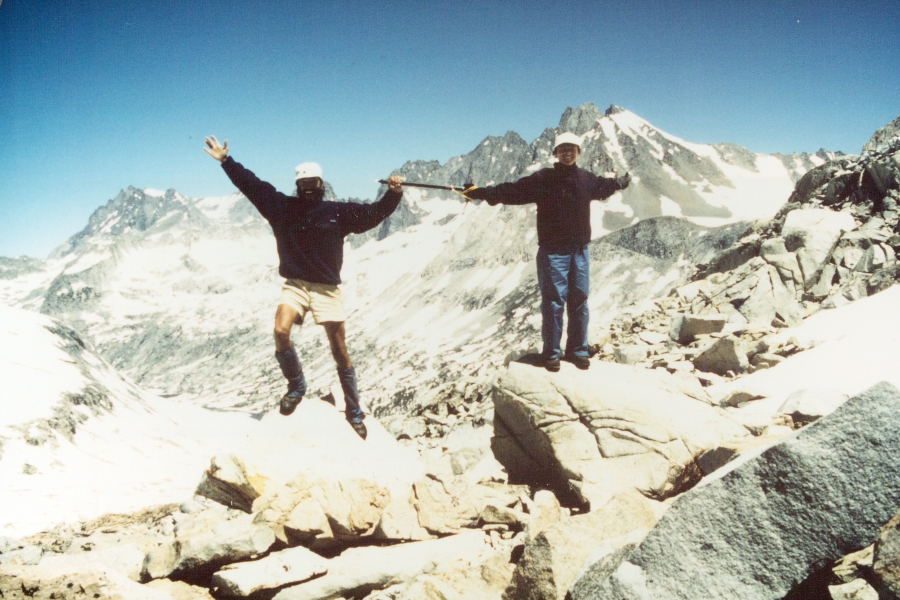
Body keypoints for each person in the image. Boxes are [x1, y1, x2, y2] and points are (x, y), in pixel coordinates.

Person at [204, 135, 404, 439]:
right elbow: (251, 184)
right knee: (280, 331)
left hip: (326, 289)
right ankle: (297, 384)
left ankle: (353, 410)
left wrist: (393, 193)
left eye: (313, 183)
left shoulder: (337, 212)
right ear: (299, 186)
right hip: (295, 284)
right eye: (305, 184)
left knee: (340, 350)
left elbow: (374, 214)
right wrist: (226, 161)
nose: (309, 188)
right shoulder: (281, 207)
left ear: (321, 184)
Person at [464, 132, 630, 372]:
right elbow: (512, 191)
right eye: (563, 149)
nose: (567, 153)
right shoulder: (544, 178)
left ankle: (578, 351)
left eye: (572, 149)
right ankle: (552, 353)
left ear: (578, 152)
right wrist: (480, 193)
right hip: (553, 252)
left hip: (580, 250)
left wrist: (618, 183)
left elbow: (604, 186)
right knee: (554, 302)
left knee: (580, 300)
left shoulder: (586, 179)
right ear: (555, 153)